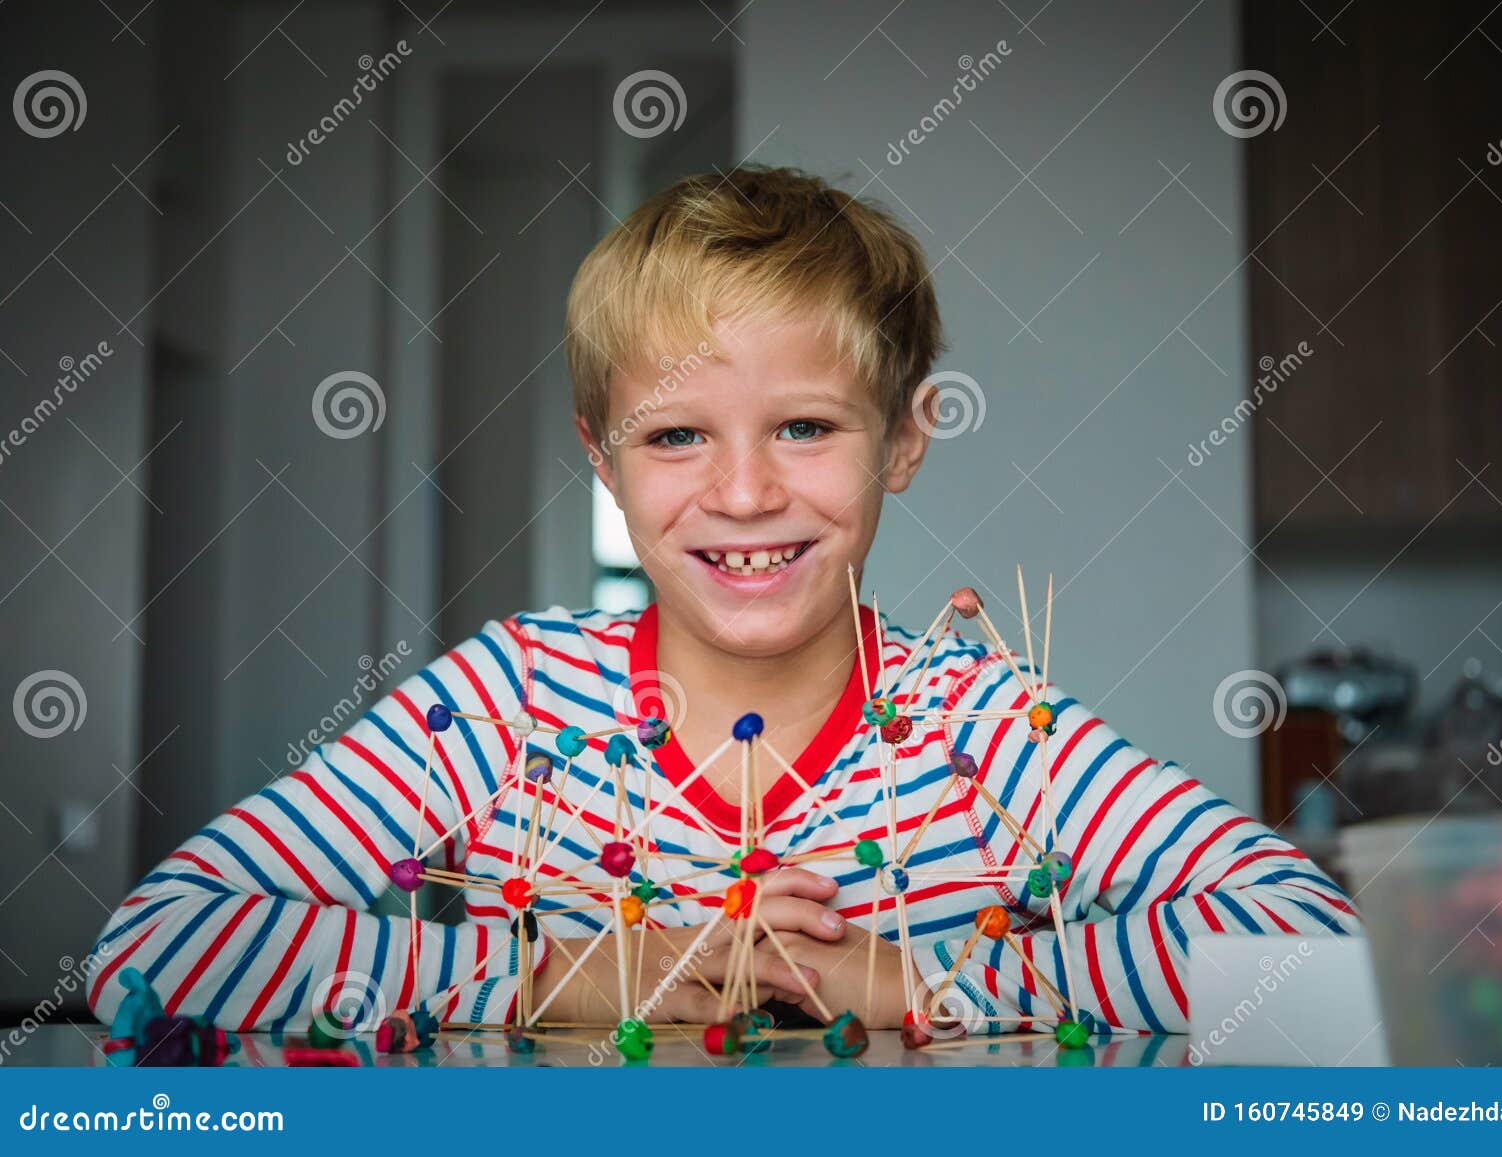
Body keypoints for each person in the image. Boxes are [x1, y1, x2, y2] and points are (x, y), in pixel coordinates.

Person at [87, 165, 1358, 1042]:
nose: (744, 492)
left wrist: (914, 979)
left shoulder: (981, 719)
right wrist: (564, 975)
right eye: (677, 436)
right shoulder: (509, 701)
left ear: (905, 440)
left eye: (805, 426)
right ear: (602, 458)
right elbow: (149, 947)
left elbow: (1315, 951)